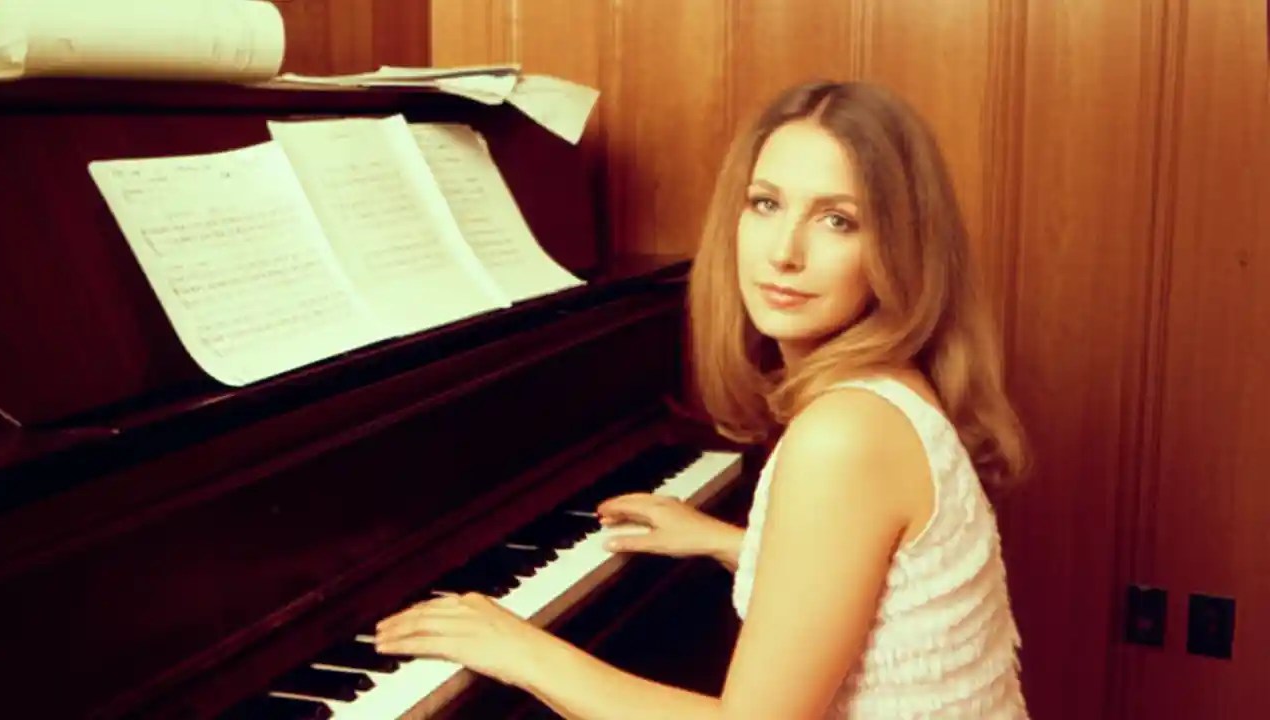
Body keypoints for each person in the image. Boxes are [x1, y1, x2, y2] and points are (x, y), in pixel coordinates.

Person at [374, 80, 1031, 719]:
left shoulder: (846, 435)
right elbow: (879, 594)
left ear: (899, 246)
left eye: (837, 220)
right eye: (766, 204)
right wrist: (729, 543)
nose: (784, 252)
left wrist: (515, 646)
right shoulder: (891, 390)